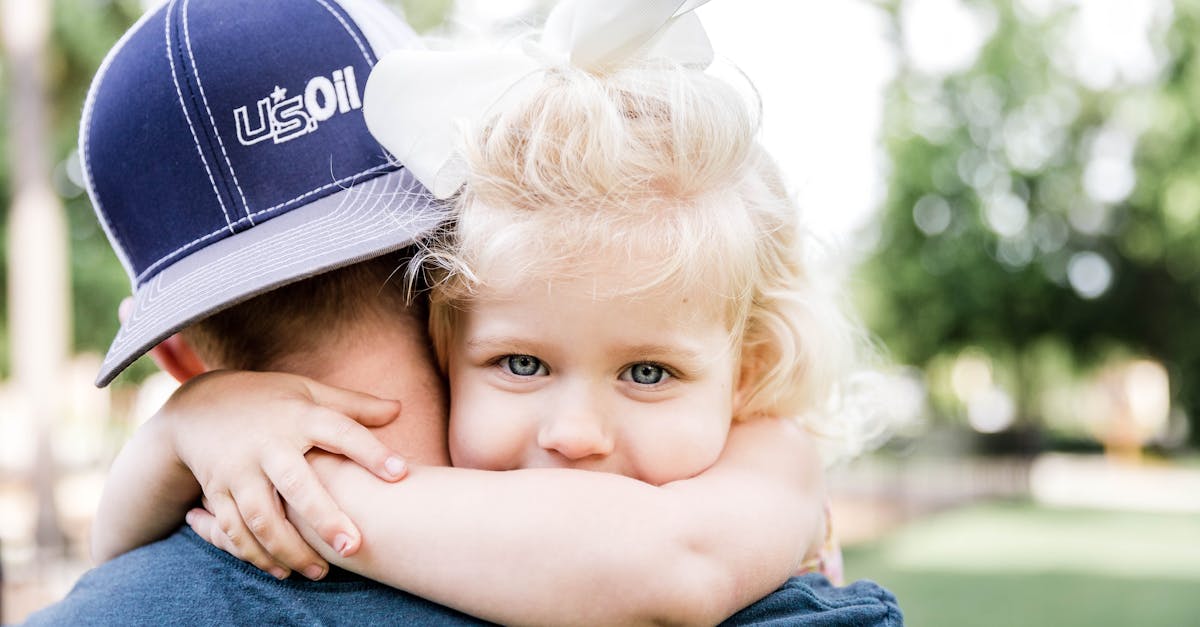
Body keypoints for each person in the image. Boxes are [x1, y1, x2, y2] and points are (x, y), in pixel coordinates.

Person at [25, 0, 901, 625]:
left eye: (647, 371)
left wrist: (259, 467)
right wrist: (183, 437)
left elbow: (676, 563)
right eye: (523, 362)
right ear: (447, 284)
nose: (573, 432)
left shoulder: (762, 459)